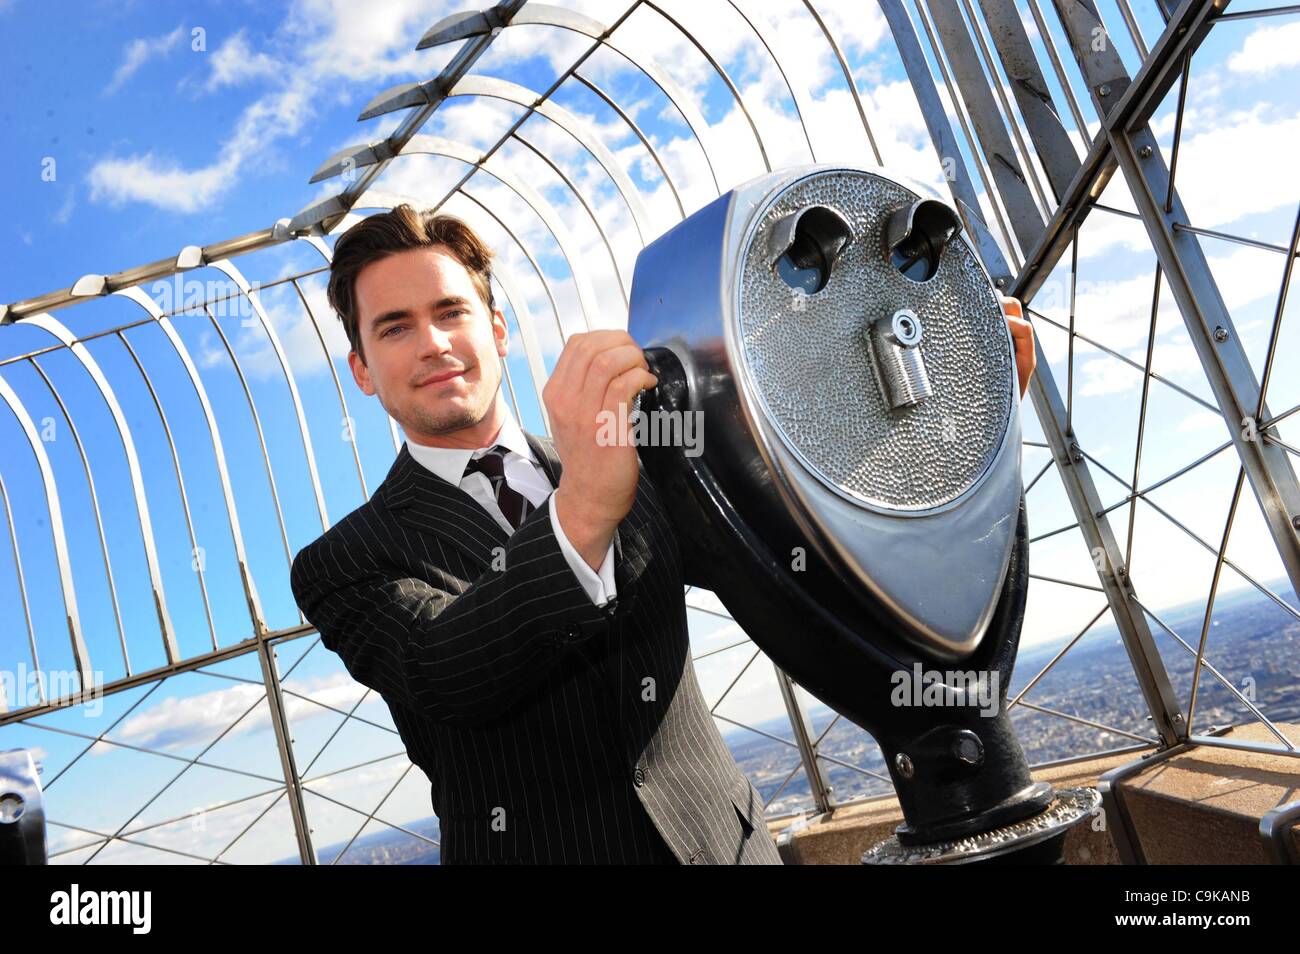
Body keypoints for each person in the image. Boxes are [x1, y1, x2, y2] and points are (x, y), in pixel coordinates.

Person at [289, 205, 1036, 866]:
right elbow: (444, 671)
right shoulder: (345, 560)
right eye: (394, 327)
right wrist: (581, 509)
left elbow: (792, 548)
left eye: (451, 312)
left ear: (496, 330)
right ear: (361, 370)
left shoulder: (643, 449)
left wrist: (959, 438)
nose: (433, 343)